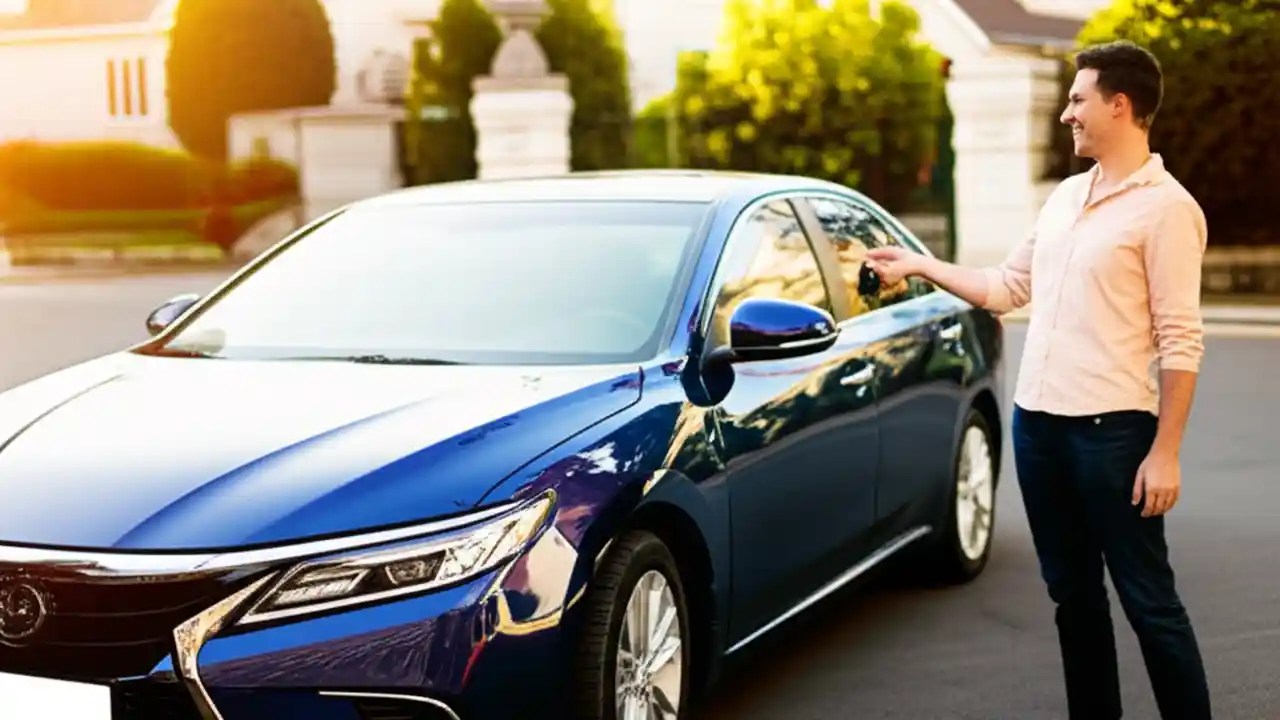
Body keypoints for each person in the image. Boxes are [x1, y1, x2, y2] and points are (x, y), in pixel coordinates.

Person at [866, 40, 1212, 720]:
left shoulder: (1167, 210)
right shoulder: (1066, 197)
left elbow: (1180, 339)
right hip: (1038, 428)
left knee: (1149, 601)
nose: (1066, 115)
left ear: (1120, 105)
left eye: (1078, 99)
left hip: (1113, 434)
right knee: (1072, 599)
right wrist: (919, 265)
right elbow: (1006, 286)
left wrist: (1165, 450)